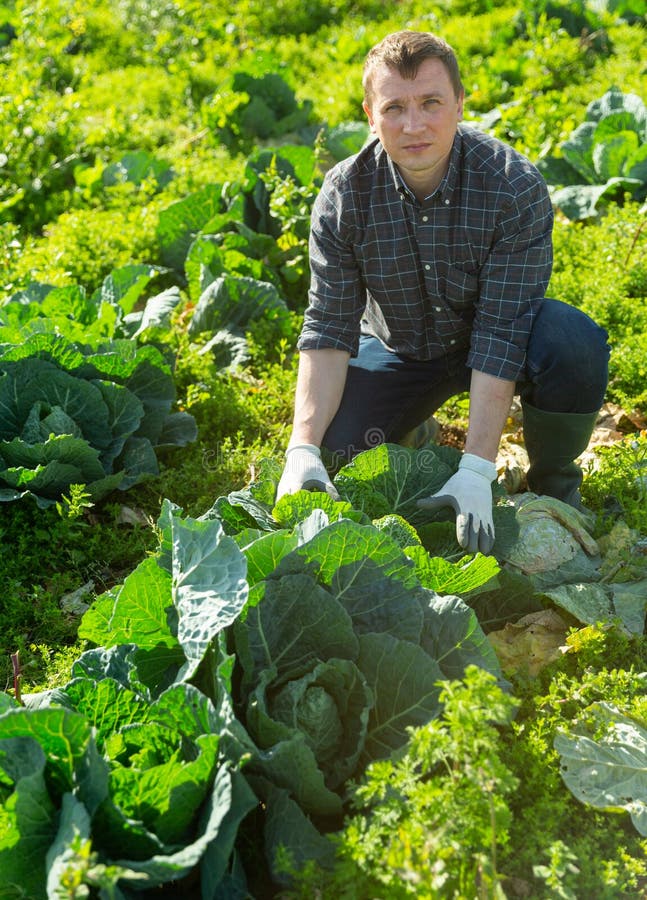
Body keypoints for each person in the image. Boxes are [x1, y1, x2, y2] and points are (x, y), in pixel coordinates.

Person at [276, 30, 609, 554]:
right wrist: (302, 447)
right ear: (370, 116)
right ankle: (416, 429)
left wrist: (477, 467)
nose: (414, 125)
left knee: (573, 345)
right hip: (398, 348)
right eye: (394, 107)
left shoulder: (512, 184)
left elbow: (502, 331)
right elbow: (329, 325)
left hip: (500, 341)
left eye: (431, 102)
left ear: (459, 104)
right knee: (336, 454)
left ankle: (554, 484)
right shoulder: (345, 194)